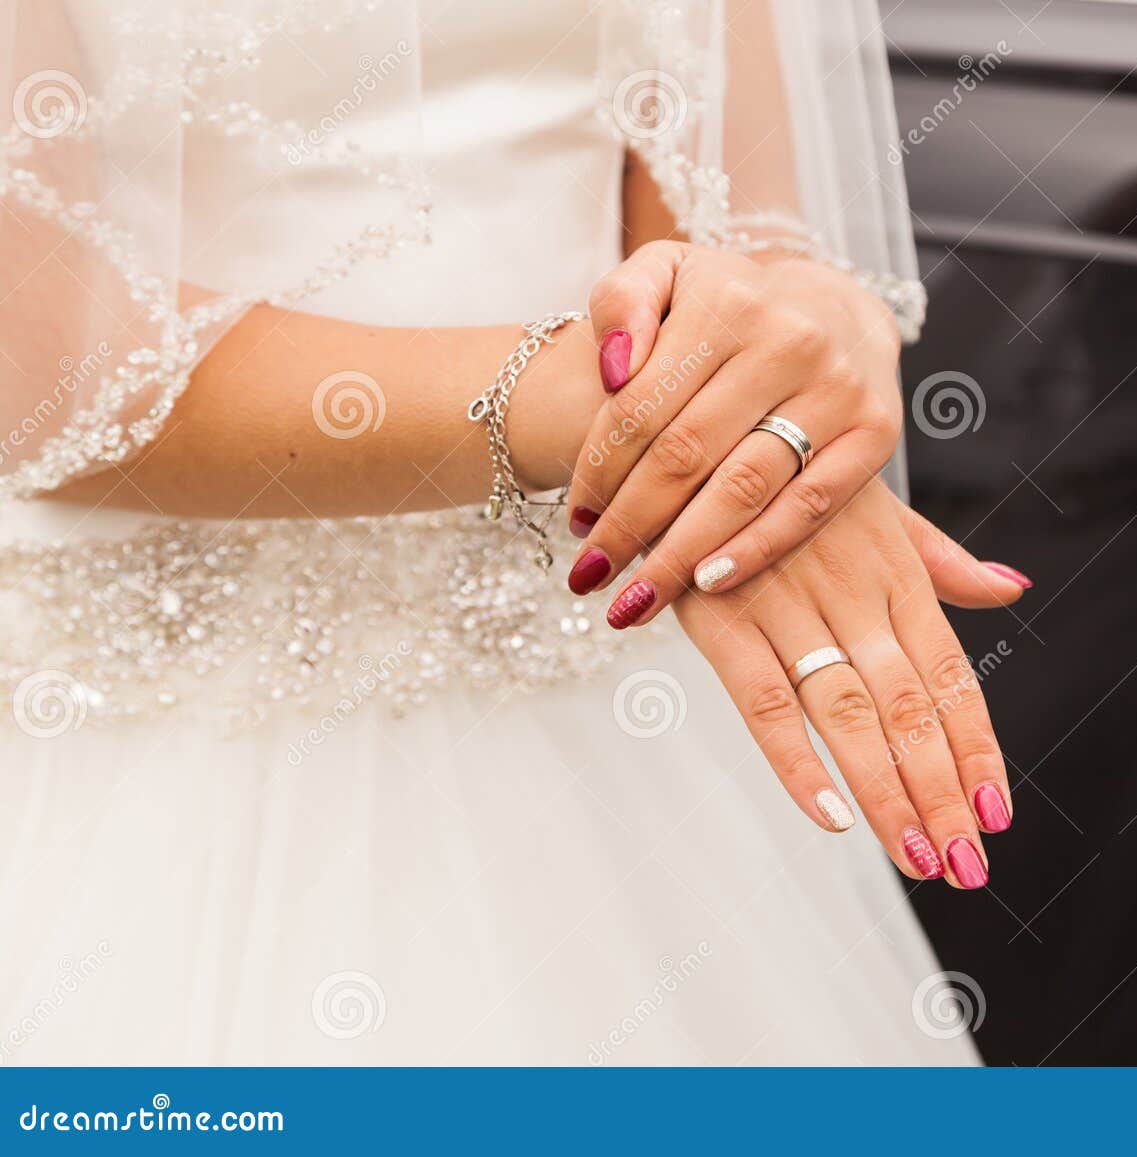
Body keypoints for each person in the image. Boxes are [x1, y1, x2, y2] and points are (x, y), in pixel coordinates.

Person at [0, 0, 1027, 1063]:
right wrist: (636, 412)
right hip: (157, 747)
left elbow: (727, 231)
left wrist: (807, 339)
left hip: (611, 714)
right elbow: (44, 370)